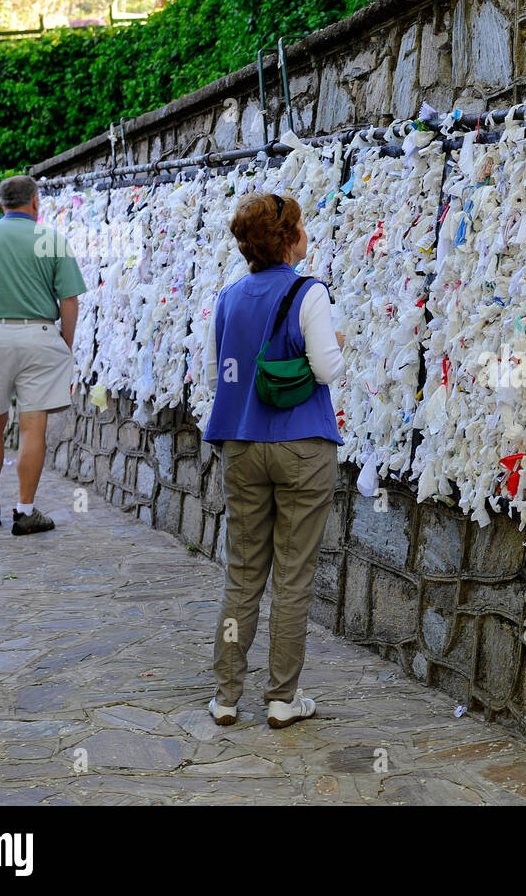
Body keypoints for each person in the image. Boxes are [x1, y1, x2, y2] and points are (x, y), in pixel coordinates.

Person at [203, 192, 345, 729]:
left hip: (241, 445)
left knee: (242, 574)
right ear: (287, 239)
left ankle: (225, 696)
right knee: (292, 576)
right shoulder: (309, 294)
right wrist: (339, 343)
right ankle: (282, 698)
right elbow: (328, 370)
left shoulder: (228, 298)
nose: (305, 235)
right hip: (302, 446)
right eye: (301, 228)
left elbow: (217, 379)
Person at [0, 174, 87, 536]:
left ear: (1, 204)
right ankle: (25, 511)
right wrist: (65, 343)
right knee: (33, 427)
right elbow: (70, 301)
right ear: (35, 203)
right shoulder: (52, 239)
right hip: (40, 335)